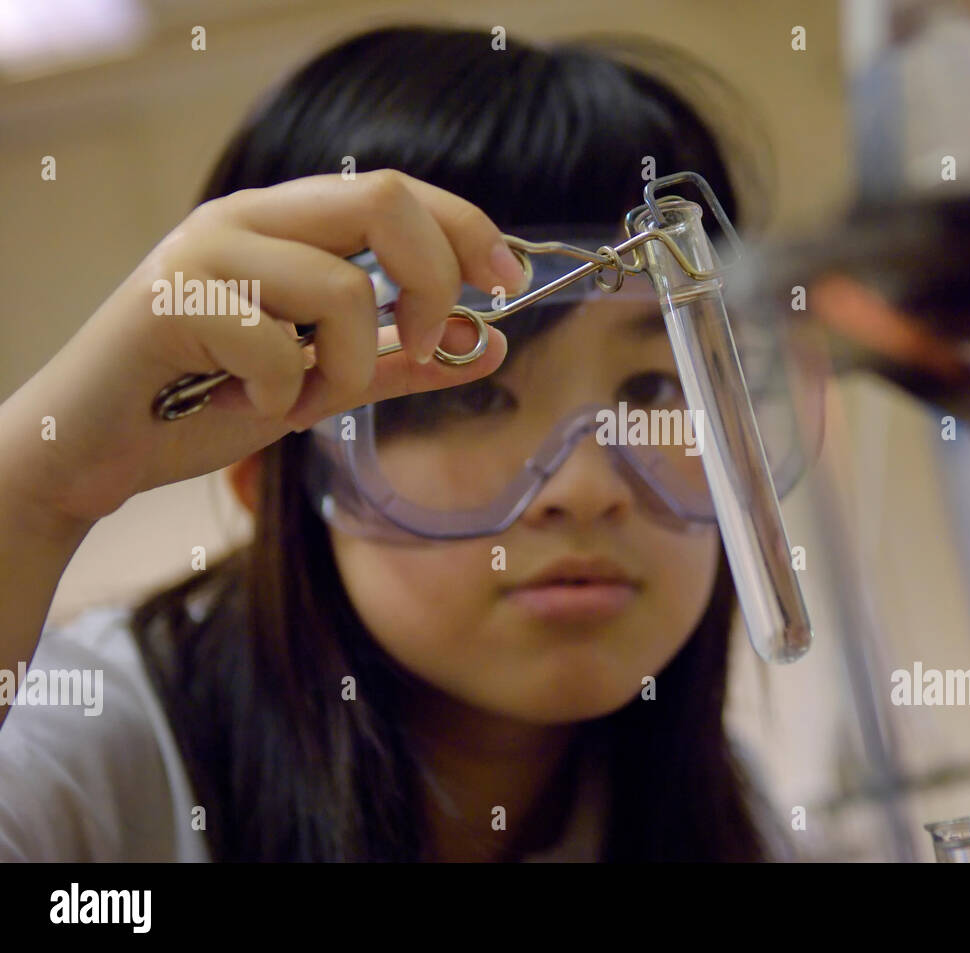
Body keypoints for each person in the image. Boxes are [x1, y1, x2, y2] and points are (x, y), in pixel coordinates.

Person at [0, 25, 791, 862]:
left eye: (651, 390)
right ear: (267, 469)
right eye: (469, 389)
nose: (590, 486)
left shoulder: (723, 815)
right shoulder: (89, 758)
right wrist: (37, 491)